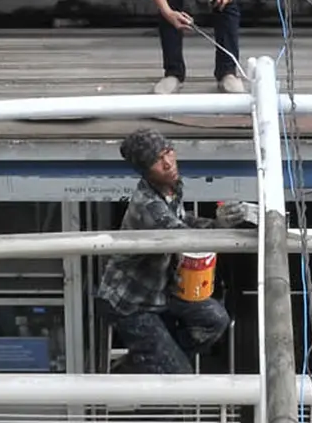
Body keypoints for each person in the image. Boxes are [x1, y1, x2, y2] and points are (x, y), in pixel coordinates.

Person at [95, 129, 251, 376]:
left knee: (216, 321)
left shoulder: (171, 187)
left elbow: (183, 221)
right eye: (158, 160)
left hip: (163, 289)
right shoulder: (148, 205)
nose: (168, 163)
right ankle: (145, 365)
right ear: (145, 171)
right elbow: (183, 237)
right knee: (180, 375)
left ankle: (156, 358)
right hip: (131, 302)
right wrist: (218, 226)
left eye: (168, 153)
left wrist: (216, 225)